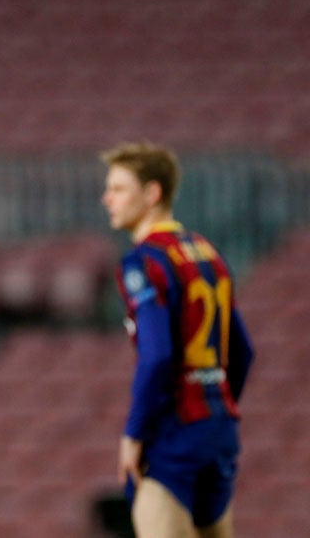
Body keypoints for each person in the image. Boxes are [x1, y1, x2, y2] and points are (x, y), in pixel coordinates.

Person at [100, 142, 254, 538]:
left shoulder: (144, 260)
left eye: (118, 189)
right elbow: (242, 351)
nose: (107, 199)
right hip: (218, 430)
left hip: (174, 433)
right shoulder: (207, 253)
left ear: (152, 194)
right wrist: (216, 402)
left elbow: (156, 356)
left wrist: (133, 434)